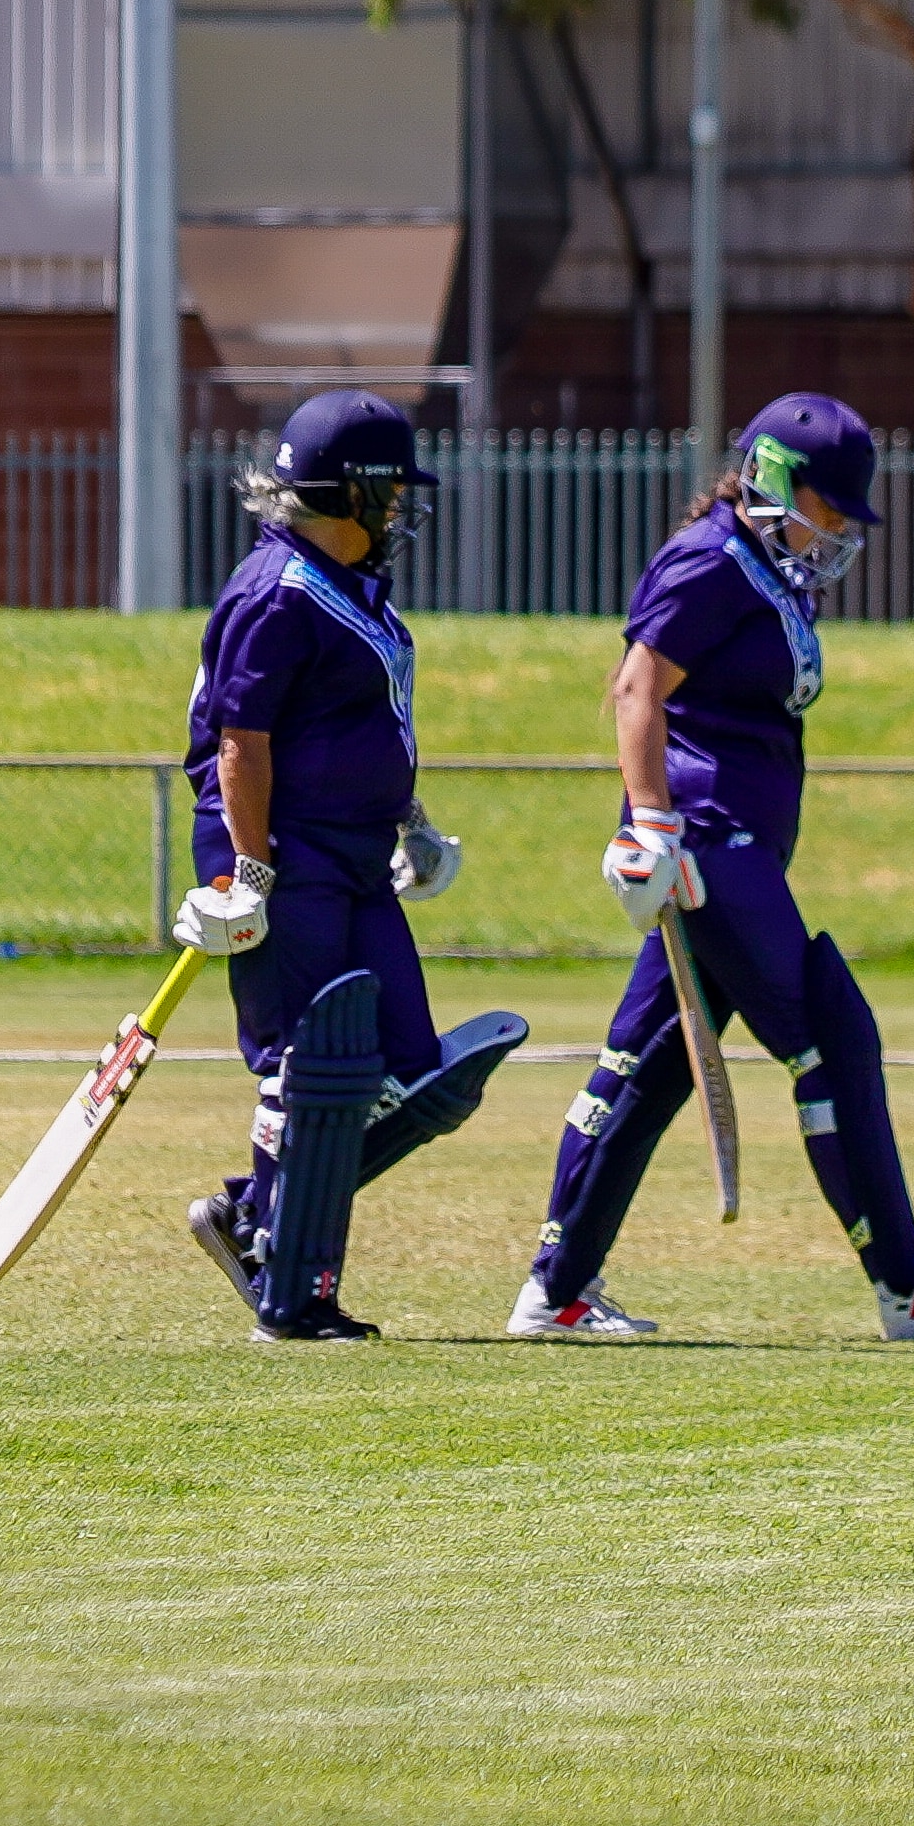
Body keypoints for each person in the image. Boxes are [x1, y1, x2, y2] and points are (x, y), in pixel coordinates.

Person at [513, 392, 914, 1346]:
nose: (833, 530)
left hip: (730, 841)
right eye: (825, 506)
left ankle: (555, 1288)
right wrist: (649, 823)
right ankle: (903, 1280)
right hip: (711, 845)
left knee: (646, 1065)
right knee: (829, 1031)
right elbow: (635, 687)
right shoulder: (709, 559)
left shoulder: (762, 571)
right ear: (776, 480)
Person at [169, 389, 527, 1342]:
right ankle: (296, 1291)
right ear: (349, 494)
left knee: (413, 1079)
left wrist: (411, 820)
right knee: (314, 1067)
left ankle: (256, 1217)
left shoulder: (353, 584)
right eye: (392, 494)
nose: (403, 511)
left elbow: (357, 726)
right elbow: (240, 743)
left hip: (358, 856)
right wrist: (248, 871)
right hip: (289, 858)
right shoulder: (276, 591)